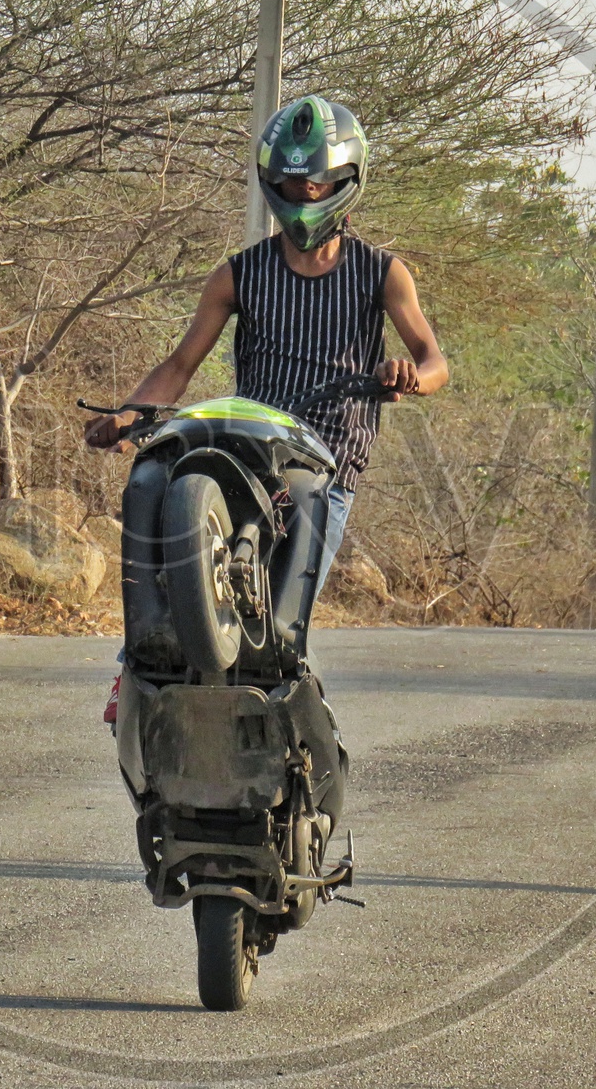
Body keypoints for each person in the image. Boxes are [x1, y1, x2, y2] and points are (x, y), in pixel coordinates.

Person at [88, 95, 447, 722]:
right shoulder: (237, 275)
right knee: (158, 493)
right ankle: (135, 667)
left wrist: (407, 376)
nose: (303, 196)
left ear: (344, 182)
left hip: (323, 467)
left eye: (315, 184)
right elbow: (179, 365)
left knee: (282, 622)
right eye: (288, 183)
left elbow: (434, 361)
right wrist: (129, 416)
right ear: (269, 182)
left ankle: (296, 722)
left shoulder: (383, 274)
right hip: (246, 451)